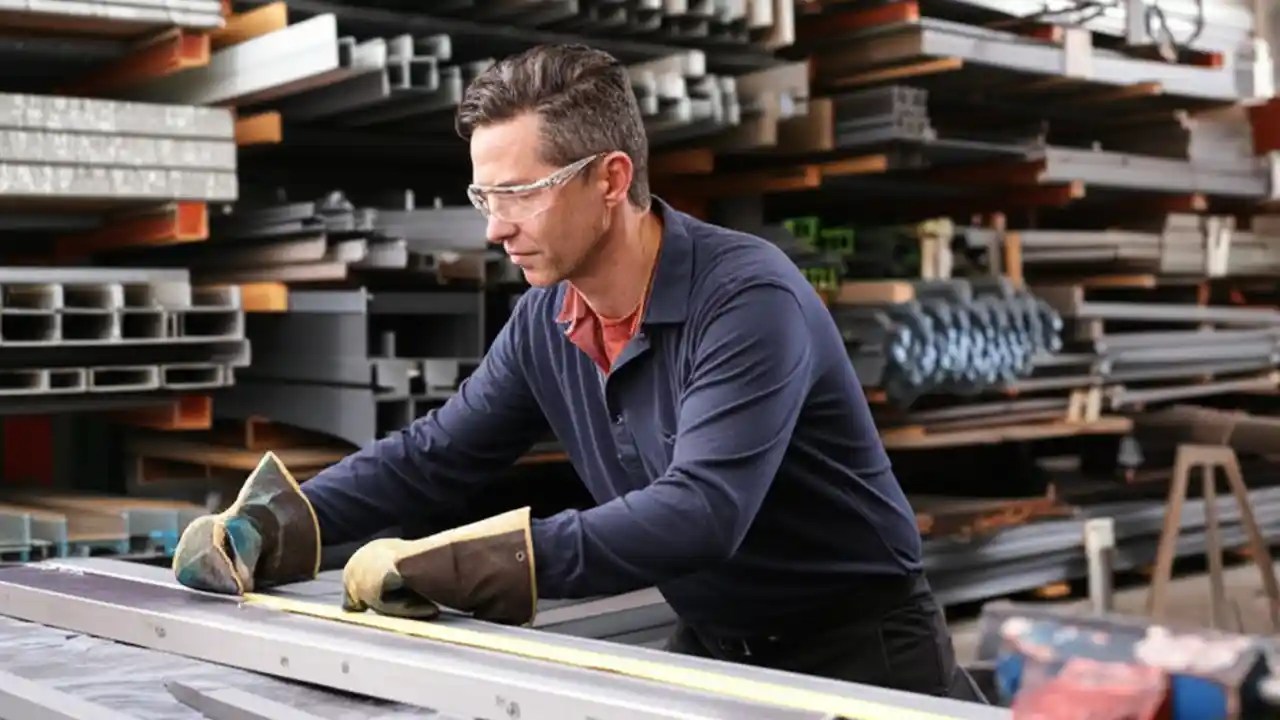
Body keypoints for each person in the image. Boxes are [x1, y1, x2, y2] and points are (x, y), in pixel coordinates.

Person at [172, 43, 981, 702]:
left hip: (862, 657)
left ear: (611, 178)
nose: (495, 228)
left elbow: (701, 511)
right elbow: (435, 455)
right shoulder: (547, 321)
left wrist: (469, 565)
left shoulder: (746, 299)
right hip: (717, 648)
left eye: (519, 193)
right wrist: (279, 522)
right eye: (484, 195)